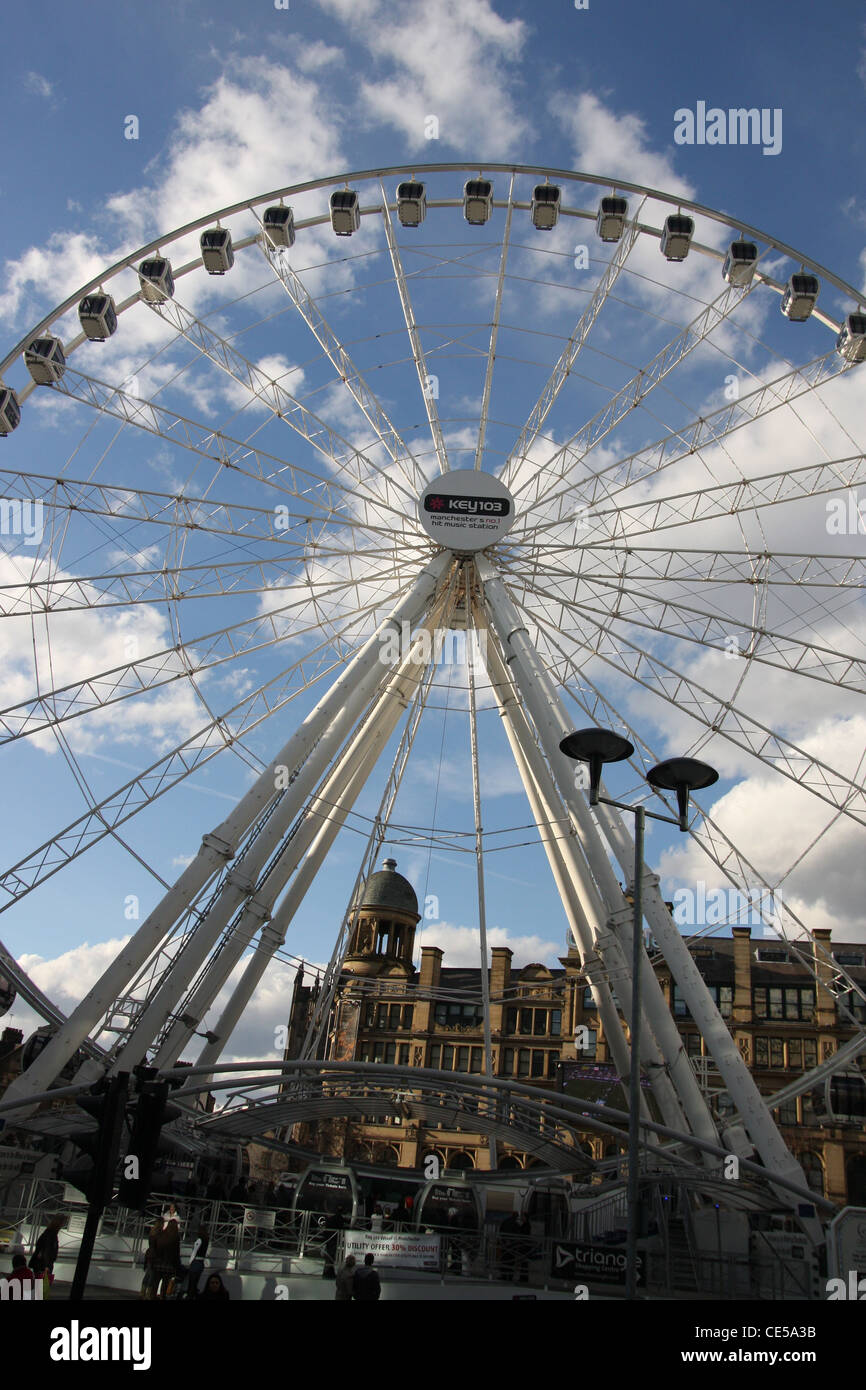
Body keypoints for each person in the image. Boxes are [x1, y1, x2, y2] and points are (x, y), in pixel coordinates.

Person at [30, 1215, 63, 1291]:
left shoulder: (48, 1233)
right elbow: (47, 1250)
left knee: (39, 1286)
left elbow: (41, 1247)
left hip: (41, 1263)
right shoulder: (51, 1235)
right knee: (41, 1287)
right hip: (43, 1264)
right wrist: (47, 1265)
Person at [151, 1217, 181, 1299]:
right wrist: (177, 1265)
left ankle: (152, 1297)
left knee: (155, 1283)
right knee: (165, 1284)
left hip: (158, 1262)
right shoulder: (175, 1237)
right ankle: (162, 1297)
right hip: (169, 1264)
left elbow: (156, 1247)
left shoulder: (162, 1234)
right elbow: (176, 1253)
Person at [183, 1226, 209, 1299]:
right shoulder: (207, 1240)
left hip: (196, 1262)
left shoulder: (199, 1240)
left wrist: (190, 1262)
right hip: (201, 1263)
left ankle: (189, 1296)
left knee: (191, 1282)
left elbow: (194, 1251)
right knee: (195, 1282)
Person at [140, 1218, 163, 1300]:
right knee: (151, 1275)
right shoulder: (159, 1234)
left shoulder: (152, 1232)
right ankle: (148, 1294)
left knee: (147, 1274)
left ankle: (142, 1291)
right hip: (155, 1256)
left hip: (149, 1254)